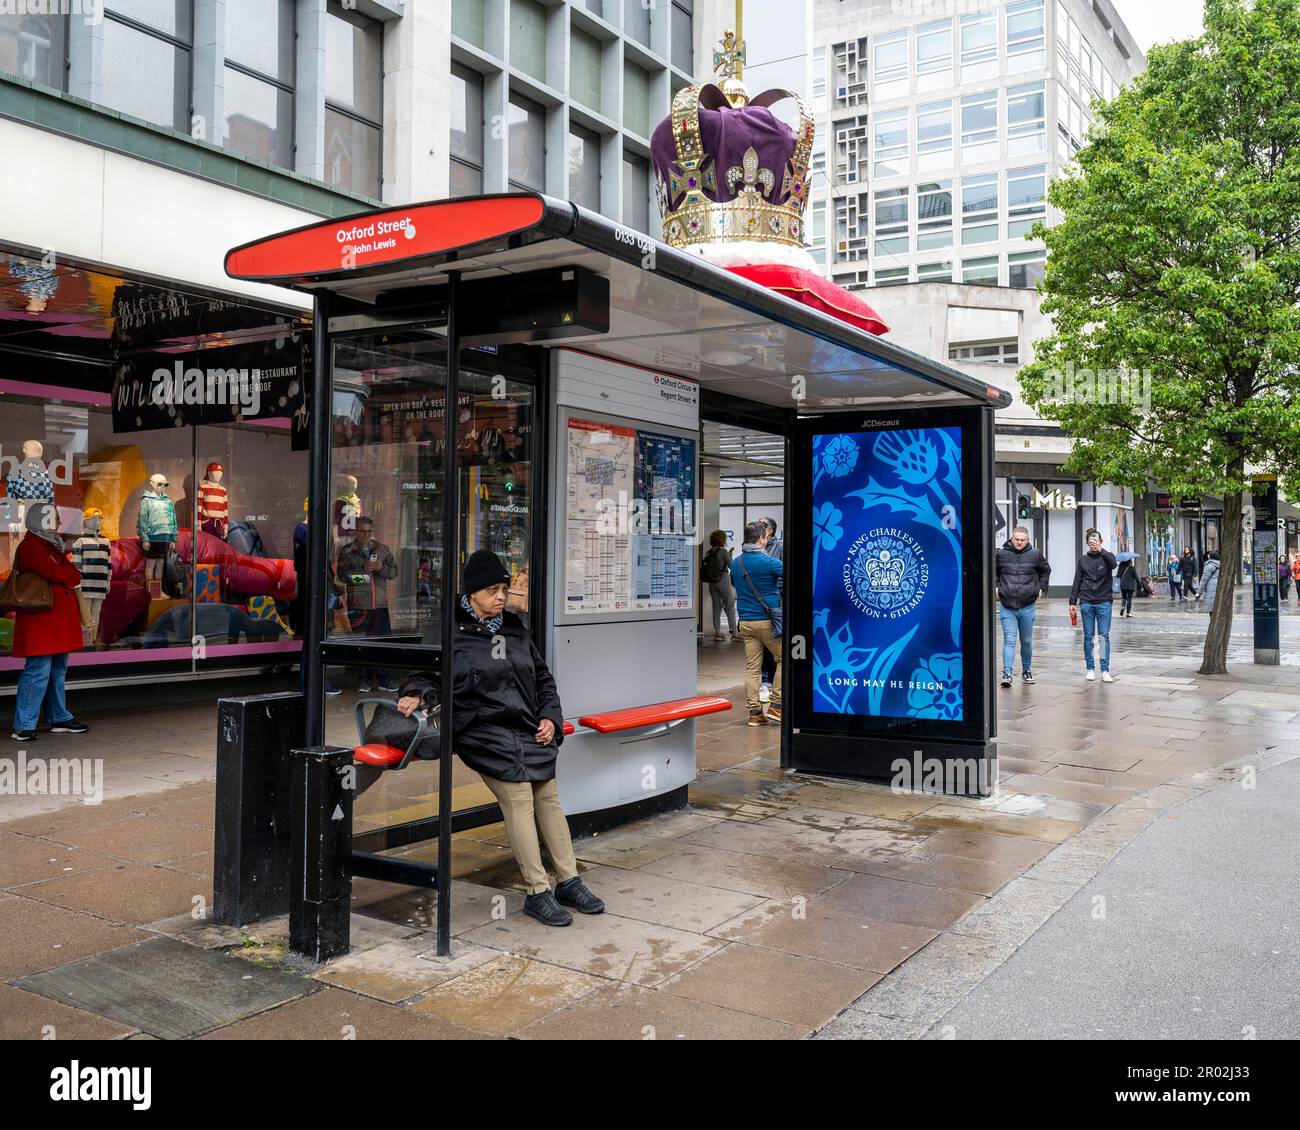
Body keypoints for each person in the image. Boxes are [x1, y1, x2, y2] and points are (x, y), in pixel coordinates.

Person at [395, 550, 603, 928]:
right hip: (480, 729)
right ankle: (537, 891)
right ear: (473, 592)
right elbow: (424, 673)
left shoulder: (512, 627)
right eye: (493, 590)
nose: (502, 597)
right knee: (519, 795)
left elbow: (542, 679)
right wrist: (413, 692)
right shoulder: (449, 629)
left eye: (504, 589)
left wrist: (549, 717)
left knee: (548, 795)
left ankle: (568, 881)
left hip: (523, 726)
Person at [9, 502, 89, 740]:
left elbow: (69, 574)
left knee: (56, 670)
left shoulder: (50, 545)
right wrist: (71, 575)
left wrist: (71, 575)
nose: (57, 523)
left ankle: (59, 717)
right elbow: (65, 574)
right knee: (38, 671)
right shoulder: (33, 546)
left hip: (53, 621)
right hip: (42, 621)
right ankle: (24, 724)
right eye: (53, 518)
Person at [337, 516, 397, 692]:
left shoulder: (382, 549)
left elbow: (393, 572)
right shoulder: (347, 551)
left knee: (383, 643)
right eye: (362, 531)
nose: (366, 535)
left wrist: (381, 569)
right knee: (361, 643)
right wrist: (363, 571)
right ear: (356, 531)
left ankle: (384, 679)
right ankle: (362, 680)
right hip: (358, 604)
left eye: (369, 531)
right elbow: (341, 576)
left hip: (379, 605)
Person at [732, 520, 783, 726]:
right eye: (765, 537)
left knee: (752, 667)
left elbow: (735, 584)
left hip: (745, 622)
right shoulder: (768, 561)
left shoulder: (737, 562)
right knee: (783, 660)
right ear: (762, 538)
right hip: (767, 622)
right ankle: (776, 707)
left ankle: (755, 714)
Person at [994, 525, 1050, 688]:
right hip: (1007, 604)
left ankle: (1026, 671)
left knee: (1026, 641)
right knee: (1009, 640)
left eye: (1022, 540)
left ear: (1028, 540)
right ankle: (1007, 674)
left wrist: (1041, 588)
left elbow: (1046, 570)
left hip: (1028, 604)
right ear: (1011, 539)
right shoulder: (1001, 554)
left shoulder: (1035, 555)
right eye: (1016, 540)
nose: (1019, 543)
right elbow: (994, 571)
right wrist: (996, 586)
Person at [1069, 528, 1118, 683]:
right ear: (1087, 543)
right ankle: (1090, 669)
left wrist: (1101, 551)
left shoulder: (1107, 557)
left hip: (1104, 601)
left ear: (1101, 542)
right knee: (1088, 636)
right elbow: (1077, 580)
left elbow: (1113, 564)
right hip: (1086, 601)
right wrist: (1072, 602)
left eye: (1096, 541)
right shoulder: (1083, 560)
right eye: (1091, 542)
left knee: (1104, 636)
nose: (1093, 544)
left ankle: (1105, 670)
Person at [757, 517, 782, 699]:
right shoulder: (751, 546)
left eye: (763, 524)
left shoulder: (778, 547)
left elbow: (783, 572)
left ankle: (769, 683)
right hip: (754, 602)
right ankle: (765, 683)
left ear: (771, 530)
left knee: (773, 644)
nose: (759, 526)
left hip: (773, 602)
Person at [701, 531, 739, 641]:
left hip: (712, 582)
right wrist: (730, 555)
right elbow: (731, 565)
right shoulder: (723, 551)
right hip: (723, 581)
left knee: (716, 606)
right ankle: (735, 633)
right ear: (722, 539)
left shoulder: (708, 552)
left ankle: (717, 632)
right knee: (729, 605)